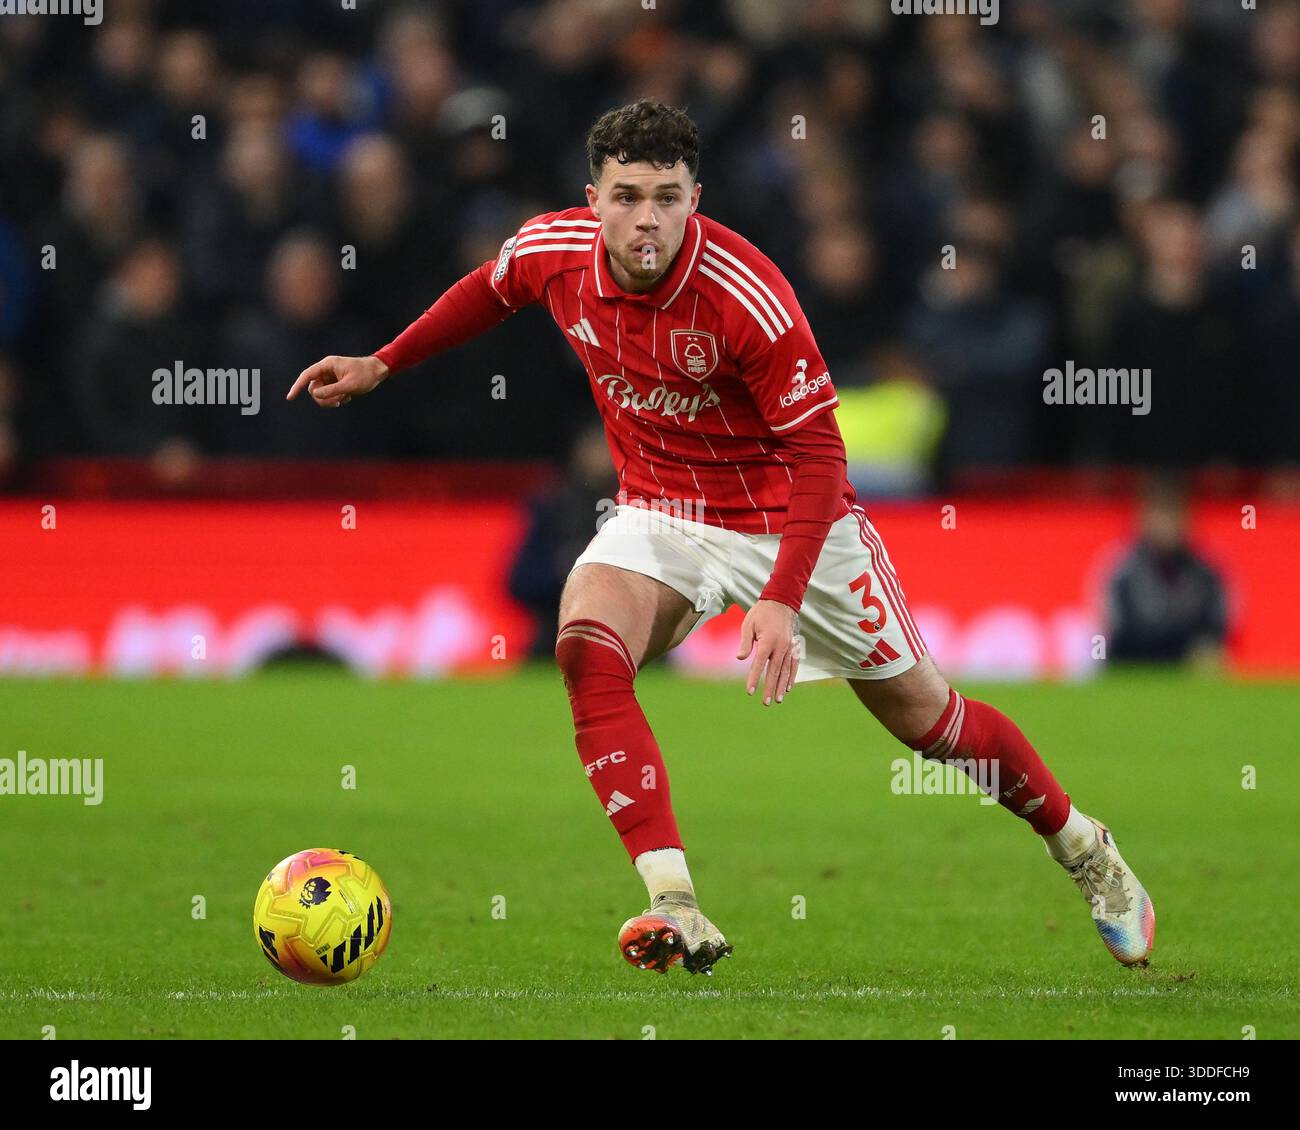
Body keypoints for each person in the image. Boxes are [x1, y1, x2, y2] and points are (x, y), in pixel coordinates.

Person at [288, 101, 1155, 974]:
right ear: (593, 199)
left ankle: (1084, 849)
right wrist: (383, 362)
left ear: (694, 197)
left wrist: (780, 600)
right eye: (627, 196)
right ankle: (675, 903)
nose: (647, 219)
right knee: (587, 645)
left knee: (932, 725)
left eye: (667, 197)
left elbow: (819, 451)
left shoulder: (746, 293)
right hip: (660, 510)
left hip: (787, 521)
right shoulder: (550, 251)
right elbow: (491, 287)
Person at [1107, 480, 1228, 668]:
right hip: (1135, 662)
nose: (1166, 525)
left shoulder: (1207, 572)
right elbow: (1117, 629)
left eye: (1172, 516)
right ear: (1144, 519)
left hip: (1188, 665)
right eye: (1159, 516)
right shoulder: (1121, 569)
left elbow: (1215, 627)